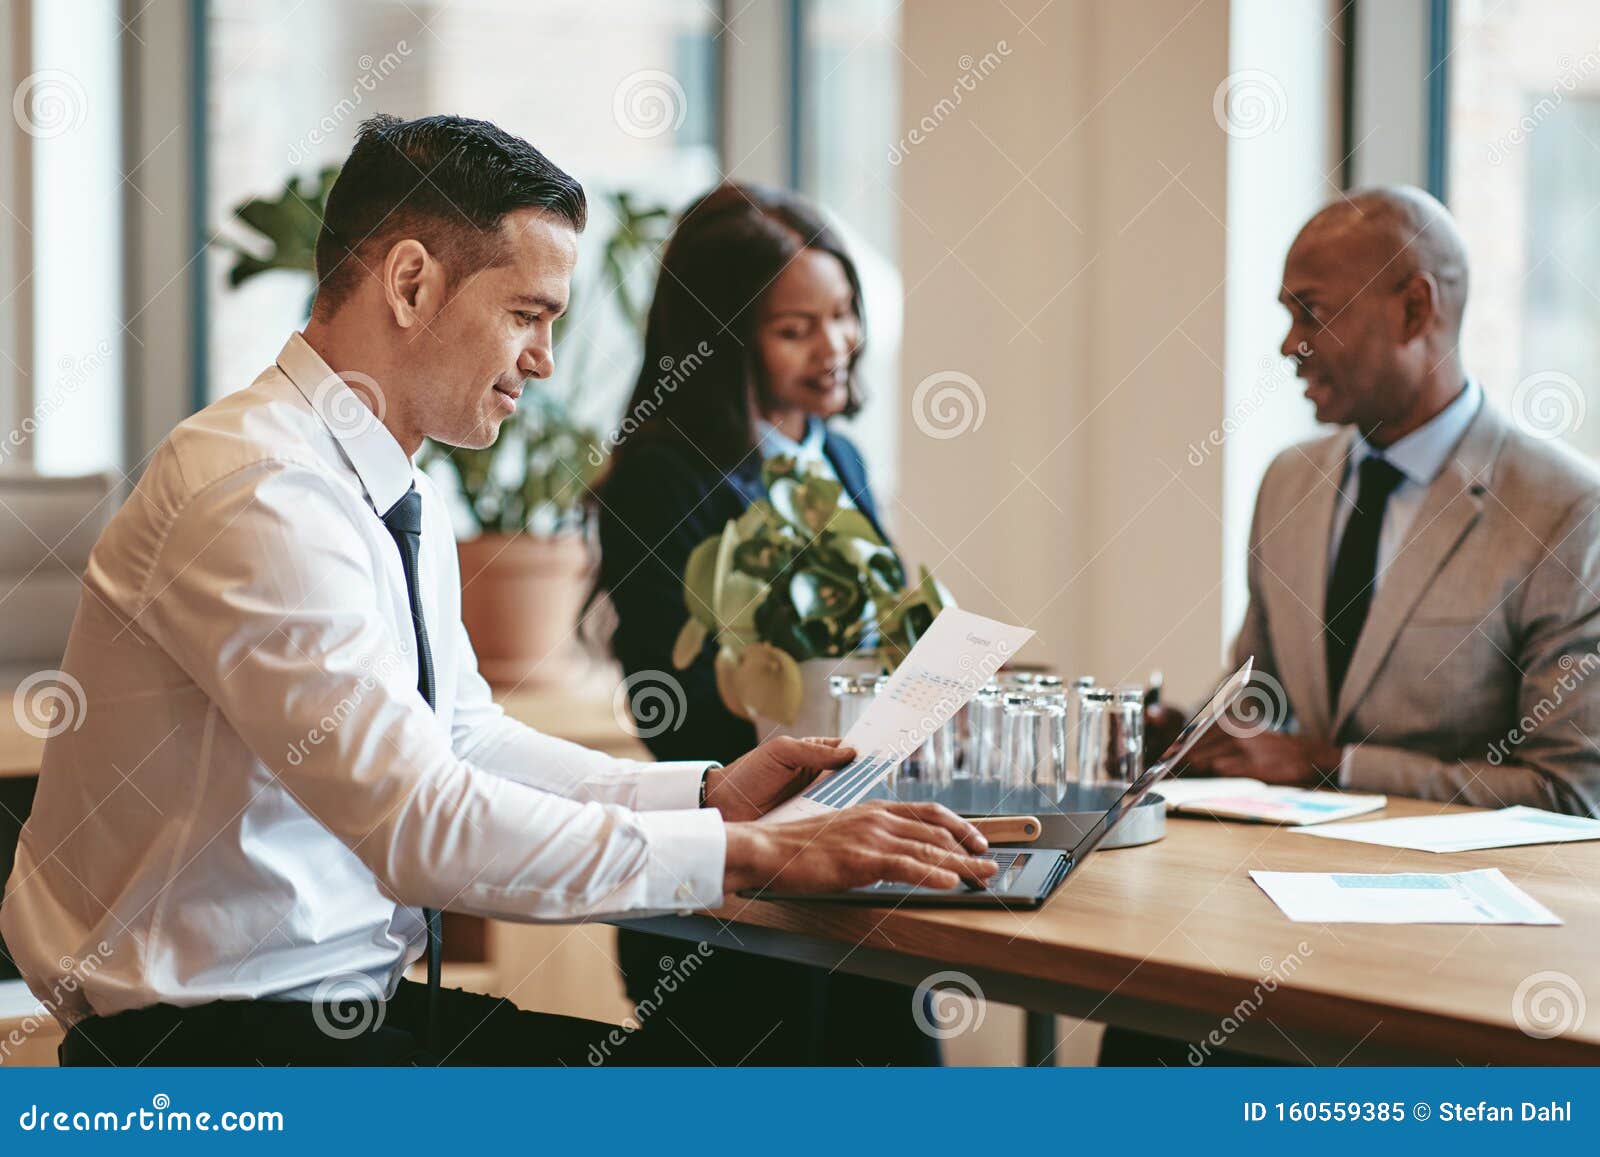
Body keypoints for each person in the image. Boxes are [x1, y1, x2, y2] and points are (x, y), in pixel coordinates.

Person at [0, 116, 995, 1067]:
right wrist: (744, 854)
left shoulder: (390, 484)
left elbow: (462, 735)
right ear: (409, 282)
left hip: (341, 1011)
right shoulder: (259, 493)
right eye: (526, 314)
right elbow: (418, 821)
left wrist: (703, 792)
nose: (544, 360)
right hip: (218, 1048)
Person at [1113, 185, 1600, 1064]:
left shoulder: (1565, 509)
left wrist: (1331, 766)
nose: (1289, 345)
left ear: (1416, 307)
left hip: (1452, 973)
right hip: (1265, 923)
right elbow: (1264, 696)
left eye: (1312, 313)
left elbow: (1572, 797)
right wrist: (1199, 734)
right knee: (1142, 1017)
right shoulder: (1287, 483)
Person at [593, 183, 937, 1065]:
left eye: (846, 315)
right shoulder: (661, 476)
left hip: (860, 855)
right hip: (741, 875)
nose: (838, 346)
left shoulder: (842, 456)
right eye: (797, 329)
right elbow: (661, 699)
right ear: (723, 343)